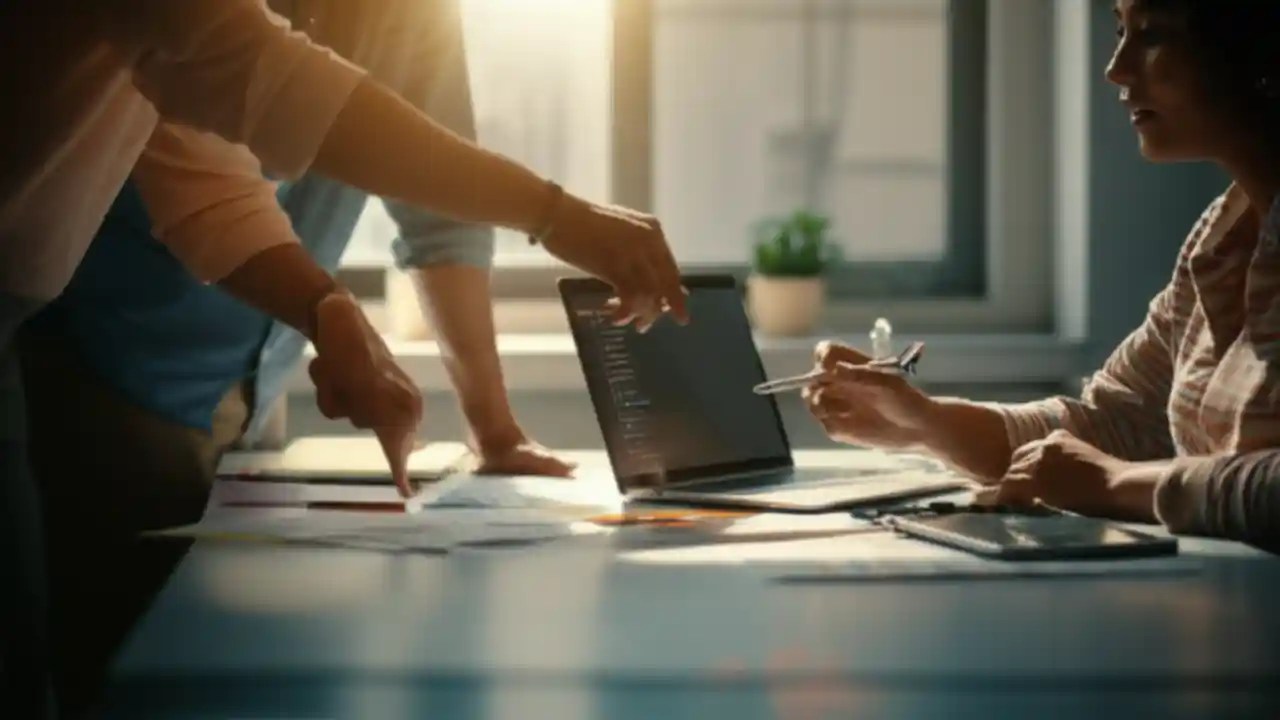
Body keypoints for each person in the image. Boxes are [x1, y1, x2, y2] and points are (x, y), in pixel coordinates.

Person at [0, 1, 687, 715]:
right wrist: (557, 215)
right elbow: (283, 89)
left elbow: (211, 188)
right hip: (107, 360)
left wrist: (329, 313)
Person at [804, 0, 1280, 546]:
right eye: (1120, 31)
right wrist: (926, 424)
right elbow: (1108, 423)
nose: (1116, 68)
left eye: (1151, 36)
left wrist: (1120, 484)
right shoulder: (1221, 240)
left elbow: (1111, 467)